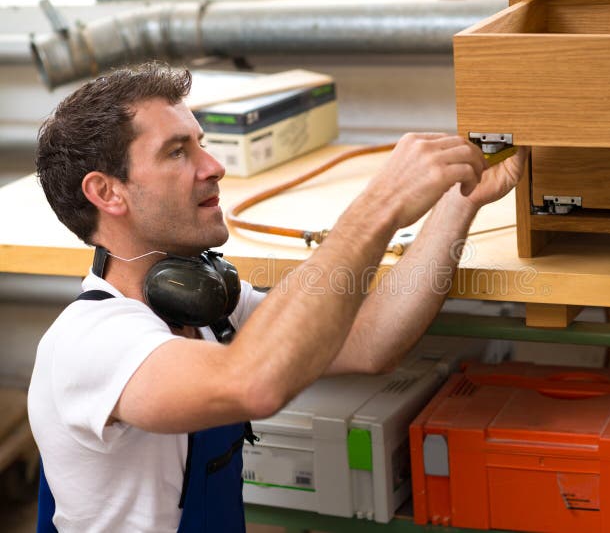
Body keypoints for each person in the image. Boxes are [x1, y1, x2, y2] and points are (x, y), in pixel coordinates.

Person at [27, 61, 529, 532]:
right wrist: (380, 205)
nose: (214, 166)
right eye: (177, 152)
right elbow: (253, 384)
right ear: (107, 193)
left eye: (202, 144)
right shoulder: (90, 343)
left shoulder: (205, 305)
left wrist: (461, 203)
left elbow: (369, 342)